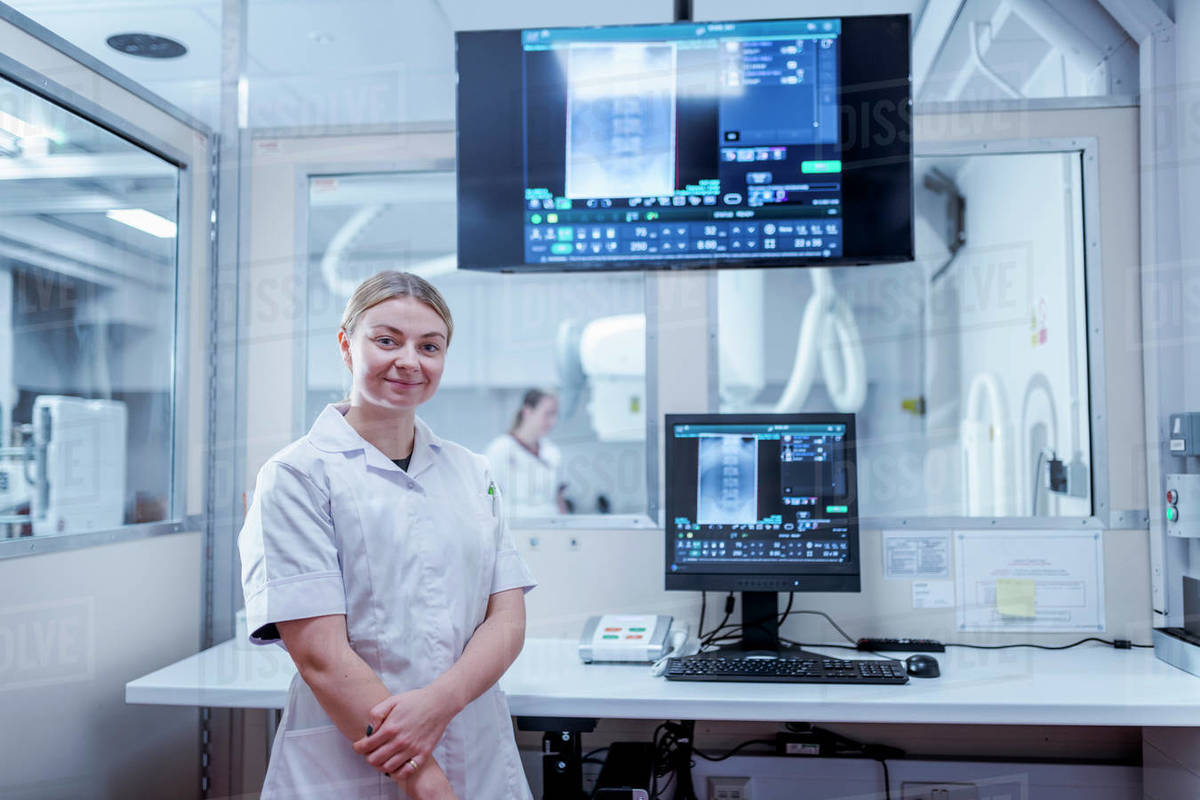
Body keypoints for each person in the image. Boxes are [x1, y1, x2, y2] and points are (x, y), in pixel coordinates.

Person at [238, 271, 536, 800]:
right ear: (346, 345)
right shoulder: (297, 476)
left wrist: (440, 702)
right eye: (386, 340)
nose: (409, 361)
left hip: (475, 745)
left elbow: (506, 618)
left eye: (429, 346)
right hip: (351, 756)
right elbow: (321, 657)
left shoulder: (473, 472)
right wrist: (424, 777)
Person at [485, 389, 569, 516]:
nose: (553, 422)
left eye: (555, 415)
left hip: (552, 530)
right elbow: (487, 497)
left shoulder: (552, 452)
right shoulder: (499, 449)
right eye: (548, 414)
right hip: (514, 530)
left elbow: (559, 499)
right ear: (528, 412)